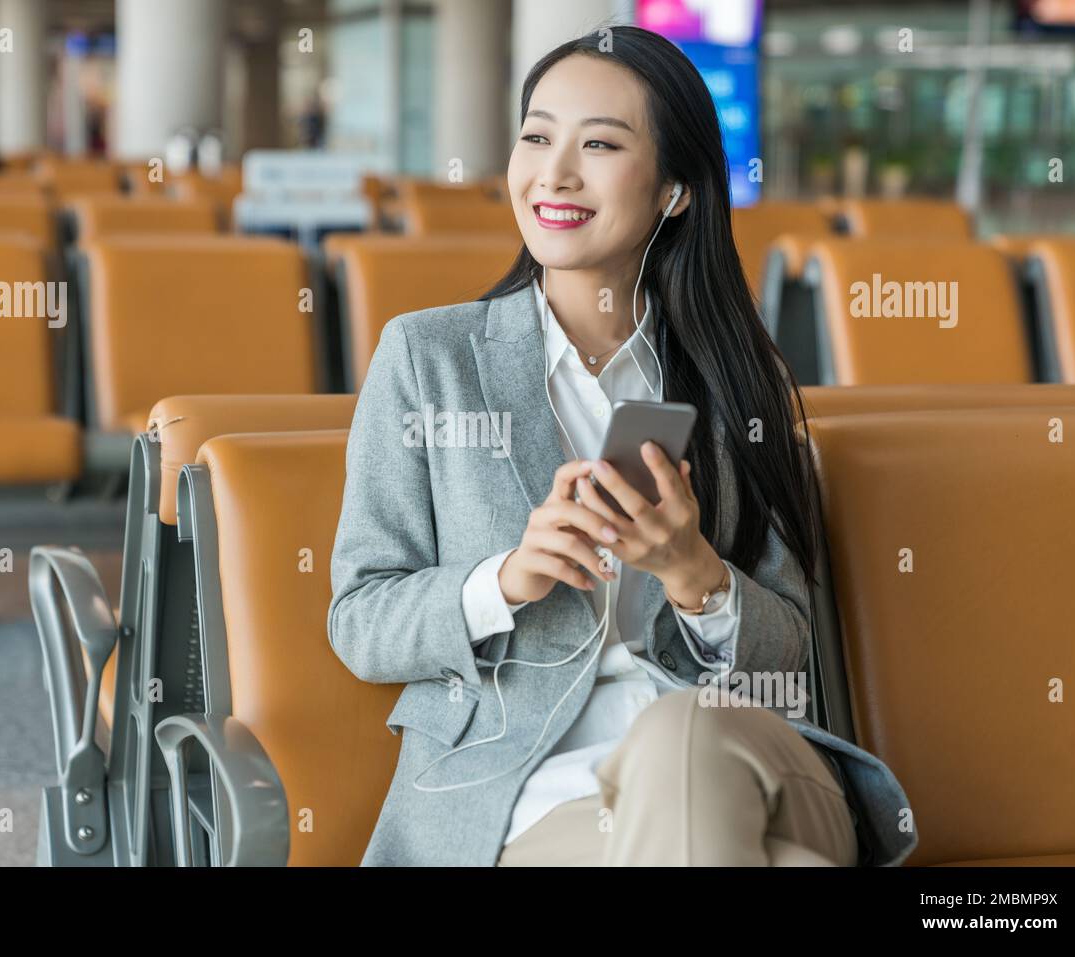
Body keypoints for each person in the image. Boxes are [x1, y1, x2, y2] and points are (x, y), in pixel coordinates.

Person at [328, 24, 917, 867]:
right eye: (536, 136)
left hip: (747, 762)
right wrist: (508, 577)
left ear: (675, 190)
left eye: (599, 144)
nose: (554, 172)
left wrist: (694, 573)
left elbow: (788, 649)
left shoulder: (733, 380)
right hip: (530, 794)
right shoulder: (430, 359)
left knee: (684, 729)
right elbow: (361, 619)